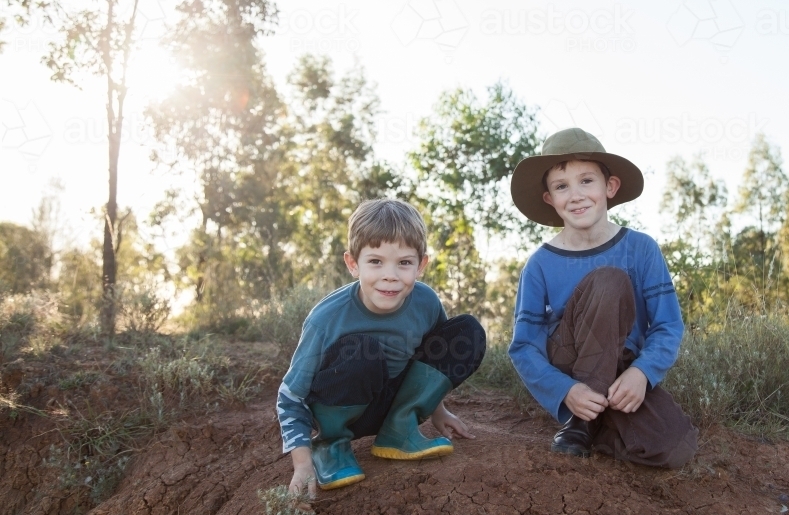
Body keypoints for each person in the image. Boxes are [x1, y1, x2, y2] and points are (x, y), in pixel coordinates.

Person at [507, 127, 698, 467]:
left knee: (675, 448)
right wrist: (566, 391)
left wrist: (641, 372)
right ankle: (579, 417)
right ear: (550, 198)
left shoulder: (641, 249)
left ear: (610, 187)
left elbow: (668, 325)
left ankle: (594, 424)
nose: (576, 195)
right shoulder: (539, 264)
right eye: (562, 186)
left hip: (622, 366)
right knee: (610, 282)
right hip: (568, 362)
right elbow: (524, 346)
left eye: (586, 181)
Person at [277, 198, 486, 496]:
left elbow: (428, 360)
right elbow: (290, 396)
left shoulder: (426, 302)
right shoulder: (326, 319)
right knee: (363, 350)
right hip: (343, 408)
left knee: (467, 331)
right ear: (353, 263)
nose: (390, 275)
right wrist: (302, 463)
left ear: (421, 265)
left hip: (392, 403)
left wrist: (439, 410)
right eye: (375, 261)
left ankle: (399, 431)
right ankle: (331, 446)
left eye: (404, 263)